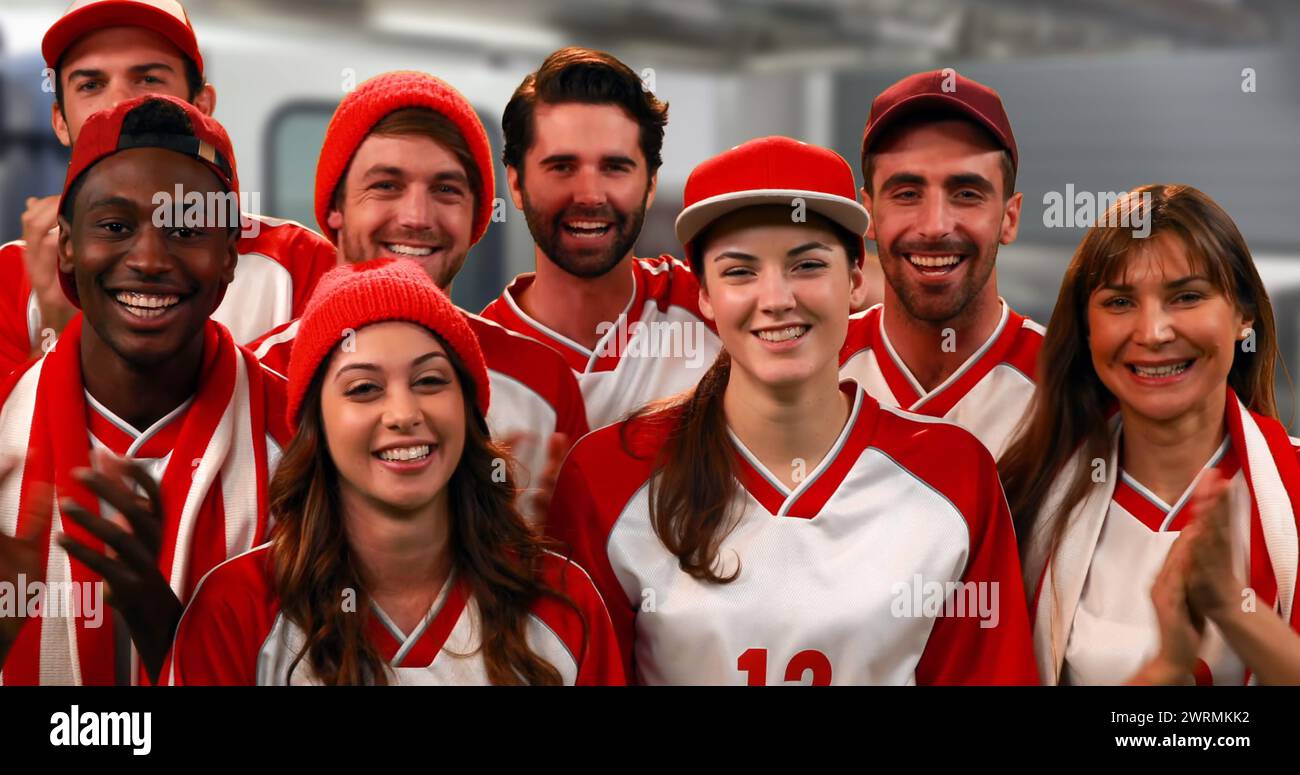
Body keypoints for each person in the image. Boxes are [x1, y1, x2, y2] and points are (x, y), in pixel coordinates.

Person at [547, 136, 1036, 685]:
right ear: (704, 295)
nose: (776, 298)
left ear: (854, 281)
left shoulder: (955, 474)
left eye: (806, 264)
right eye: (739, 271)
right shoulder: (610, 474)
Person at [171, 259, 623, 685]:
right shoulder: (235, 609)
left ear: (468, 411)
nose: (403, 414)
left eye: (429, 381)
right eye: (364, 388)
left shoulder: (564, 602)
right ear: (317, 426)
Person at [0, 95, 290, 685]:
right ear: (68, 246)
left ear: (230, 257)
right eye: (114, 225)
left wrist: (166, 631)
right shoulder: (5, 422)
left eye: (186, 228)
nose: (151, 259)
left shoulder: (305, 439)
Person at [248, 71, 588, 521]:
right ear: (335, 208)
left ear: (475, 220)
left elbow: (574, 571)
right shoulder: (257, 379)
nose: (416, 217)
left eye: (446, 190)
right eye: (386, 185)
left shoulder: (541, 380)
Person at [1000, 183, 1300, 685]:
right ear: (1087, 328)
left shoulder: (1292, 487)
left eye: (1186, 296)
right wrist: (1166, 668)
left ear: (1243, 314)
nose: (1153, 332)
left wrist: (1233, 611)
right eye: (1119, 302)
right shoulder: (1025, 503)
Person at [0, 0, 336, 374]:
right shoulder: (10, 276)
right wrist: (54, 329)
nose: (120, 103)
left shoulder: (303, 265)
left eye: (149, 79)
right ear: (60, 121)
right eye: (91, 84)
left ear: (202, 105)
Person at [480, 47, 721, 429]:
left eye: (614, 167)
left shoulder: (717, 310)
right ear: (516, 184)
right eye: (562, 167)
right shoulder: (476, 362)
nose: (590, 195)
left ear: (650, 184)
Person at [841, 70, 1042, 458]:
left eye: (966, 193)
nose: (934, 226)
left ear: (1009, 218)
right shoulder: (813, 366)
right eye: (907, 193)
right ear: (868, 214)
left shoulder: (1074, 388)